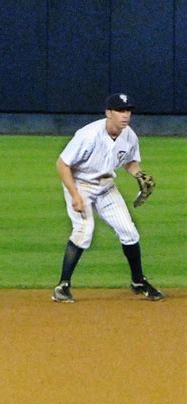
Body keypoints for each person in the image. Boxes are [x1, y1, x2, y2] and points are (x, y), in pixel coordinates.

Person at [52, 92, 163, 303]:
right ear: (108, 113)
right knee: (84, 231)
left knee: (129, 232)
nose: (125, 115)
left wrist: (139, 174)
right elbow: (62, 164)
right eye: (120, 110)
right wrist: (75, 195)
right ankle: (62, 286)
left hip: (106, 186)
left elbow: (129, 162)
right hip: (80, 184)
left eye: (128, 110)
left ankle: (138, 282)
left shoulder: (129, 135)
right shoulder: (88, 135)